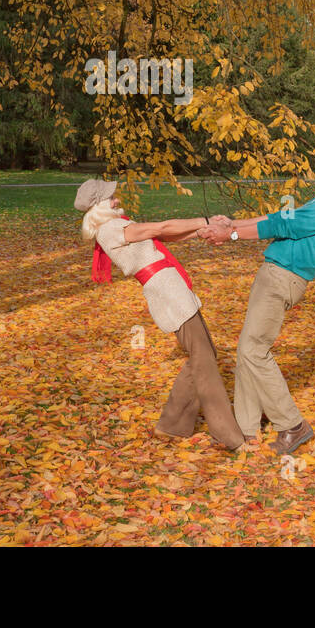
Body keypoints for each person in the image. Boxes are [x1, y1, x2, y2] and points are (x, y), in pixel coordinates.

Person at [199, 145, 315, 455]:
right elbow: (282, 216)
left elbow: (282, 225)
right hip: (275, 274)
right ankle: (244, 429)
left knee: (254, 350)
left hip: (282, 279)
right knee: (247, 350)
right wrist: (232, 225)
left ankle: (292, 425)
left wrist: (231, 236)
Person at [76, 178, 244, 451]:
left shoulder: (116, 225)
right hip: (168, 293)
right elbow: (162, 227)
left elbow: (162, 236)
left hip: (171, 288)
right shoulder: (111, 229)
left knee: (204, 354)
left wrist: (202, 231)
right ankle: (228, 436)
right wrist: (204, 220)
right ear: (99, 207)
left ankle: (172, 425)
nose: (117, 200)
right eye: (112, 198)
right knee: (203, 358)